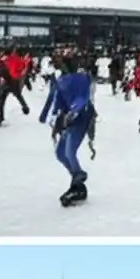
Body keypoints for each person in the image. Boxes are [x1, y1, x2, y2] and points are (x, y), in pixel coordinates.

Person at [39, 54, 97, 207]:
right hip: (69, 119)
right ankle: (77, 183)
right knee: (60, 153)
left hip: (82, 117)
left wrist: (72, 111)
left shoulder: (81, 78)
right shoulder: (60, 81)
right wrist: (52, 115)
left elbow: (82, 98)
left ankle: (78, 176)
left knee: (70, 151)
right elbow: (58, 100)